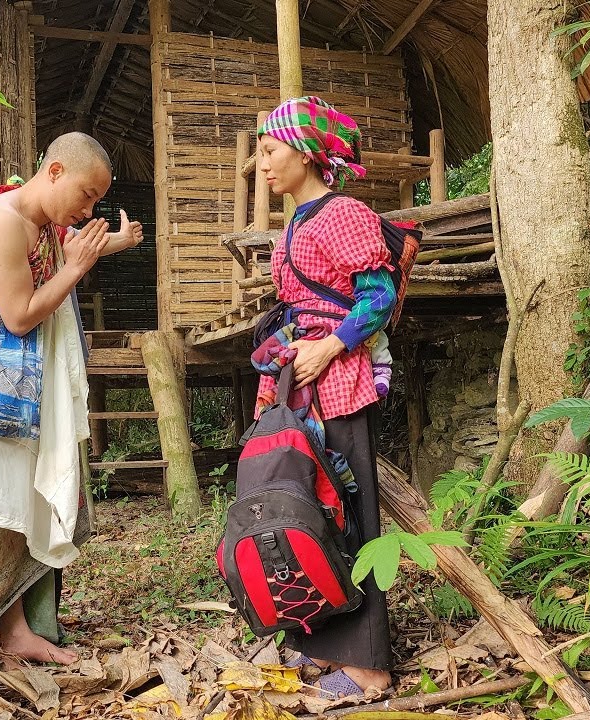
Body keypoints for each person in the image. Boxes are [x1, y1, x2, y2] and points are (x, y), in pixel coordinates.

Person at [0, 132, 142, 665]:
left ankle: (25, 631)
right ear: (53, 172)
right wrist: (77, 268)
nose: (89, 207)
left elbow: (54, 266)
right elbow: (20, 314)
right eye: (86, 194)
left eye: (96, 200)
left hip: (20, 401)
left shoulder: (45, 223)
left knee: (25, 511)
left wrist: (107, 244)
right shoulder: (2, 221)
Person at [253, 96, 396, 696]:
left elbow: (379, 295)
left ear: (306, 153)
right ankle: (319, 647)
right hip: (300, 379)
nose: (259, 163)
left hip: (337, 379)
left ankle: (369, 666)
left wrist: (331, 345)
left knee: (351, 515)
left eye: (269, 150)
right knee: (303, 507)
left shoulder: (344, 213)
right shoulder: (296, 220)